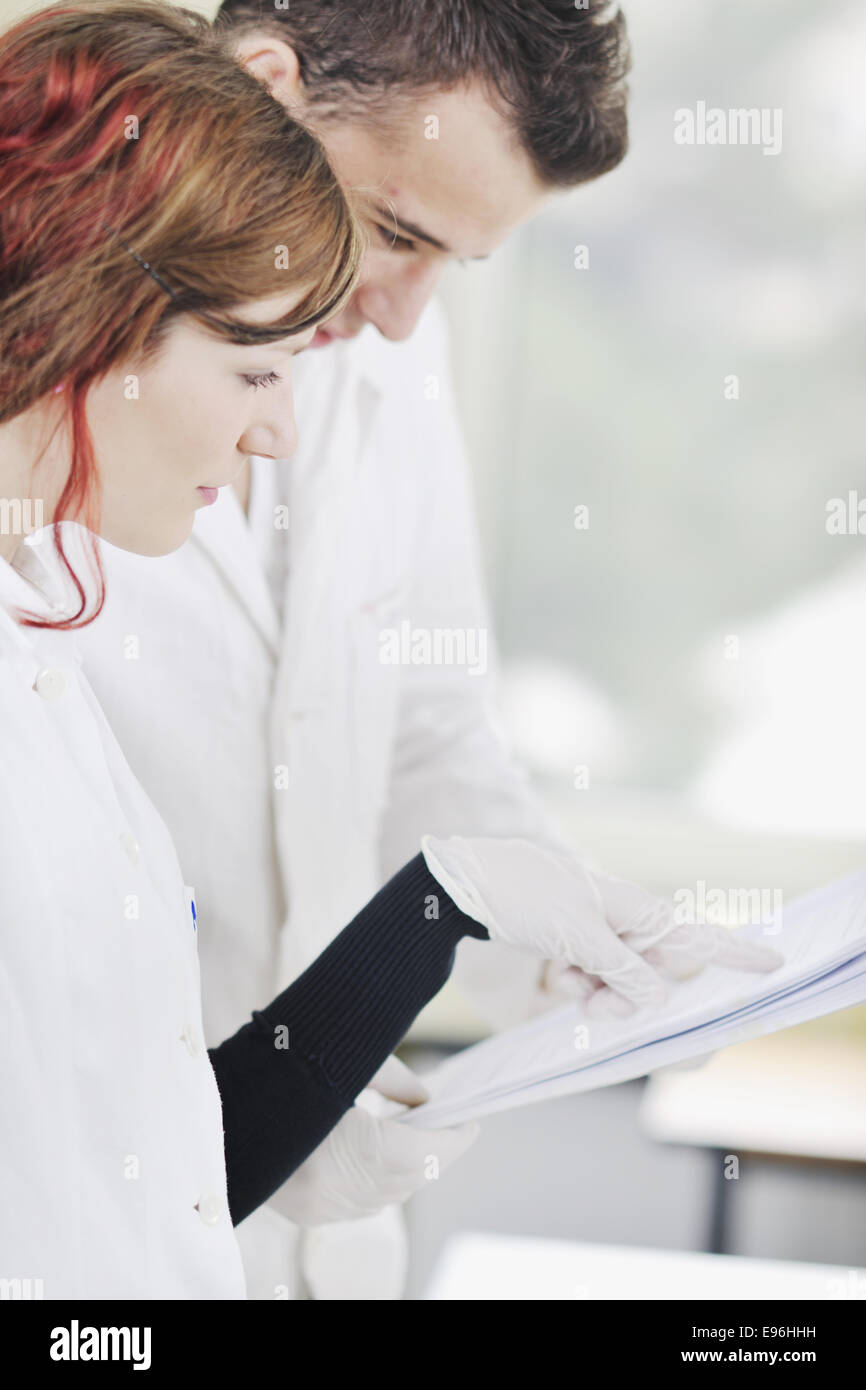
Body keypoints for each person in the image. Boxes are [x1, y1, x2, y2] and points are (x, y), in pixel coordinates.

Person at [73, 0, 786, 1299]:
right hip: (99, 1234)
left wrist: (573, 944)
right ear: (264, 90)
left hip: (328, 1223)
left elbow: (429, 728)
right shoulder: (61, 427)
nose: (401, 314)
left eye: (449, 264)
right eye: (395, 230)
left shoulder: (389, 354)